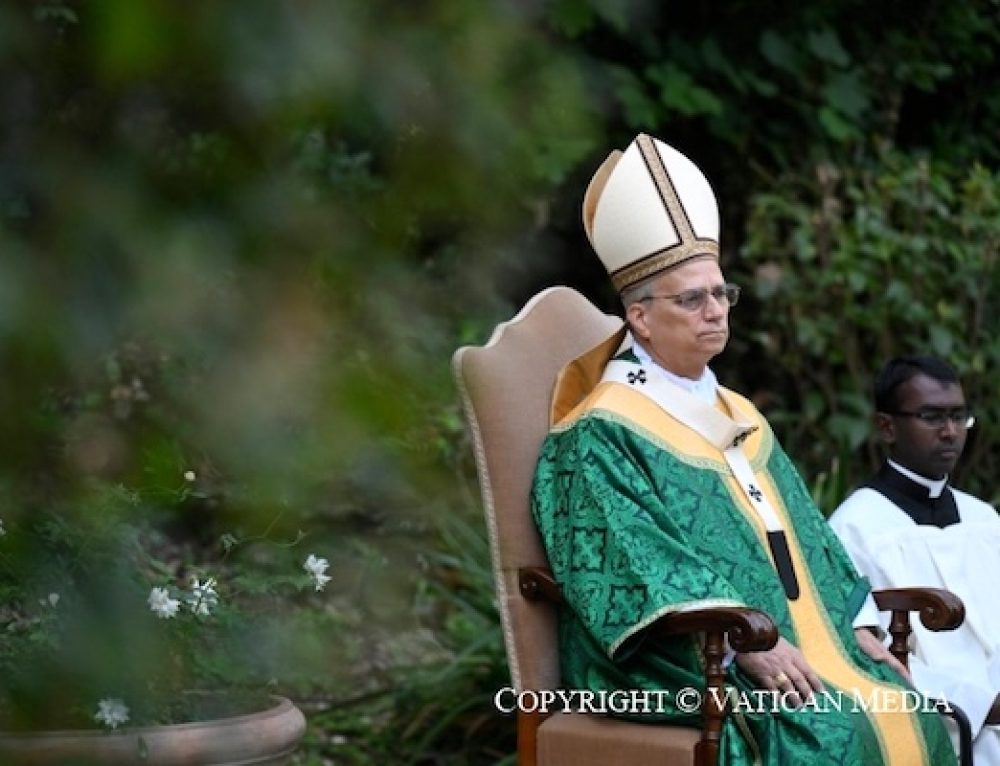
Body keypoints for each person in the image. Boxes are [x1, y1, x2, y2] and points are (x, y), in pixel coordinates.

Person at [530, 133, 956, 765]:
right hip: (681, 661)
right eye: (692, 298)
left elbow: (807, 538)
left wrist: (858, 623)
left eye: (722, 293)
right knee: (825, 734)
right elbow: (629, 567)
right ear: (640, 318)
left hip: (789, 651)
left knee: (911, 714)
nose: (715, 312)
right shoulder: (598, 433)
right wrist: (741, 646)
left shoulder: (741, 415)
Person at [830, 355, 1000, 764]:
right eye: (932, 417)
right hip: (934, 720)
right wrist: (979, 704)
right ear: (887, 426)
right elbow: (865, 654)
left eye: (959, 417)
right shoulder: (854, 527)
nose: (950, 432)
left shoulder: (983, 518)